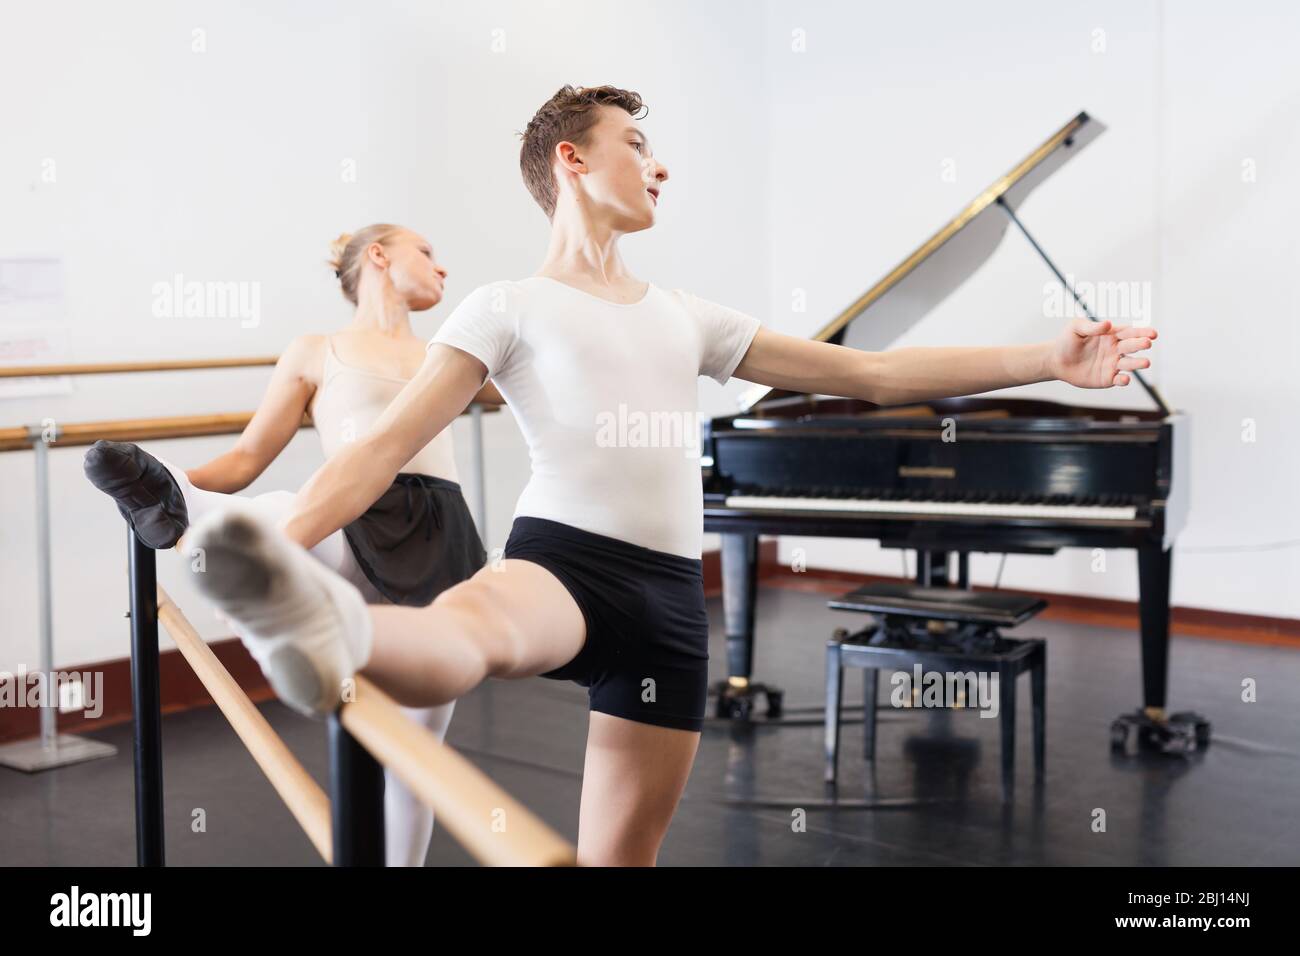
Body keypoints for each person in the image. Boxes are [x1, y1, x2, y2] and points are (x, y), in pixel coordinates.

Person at [180, 85, 1158, 866]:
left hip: (669, 602)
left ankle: (324, 617)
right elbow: (379, 449)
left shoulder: (687, 314)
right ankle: (324, 620)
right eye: (634, 142)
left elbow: (870, 374)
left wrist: (1046, 359)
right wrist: (282, 546)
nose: (660, 164)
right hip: (562, 560)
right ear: (571, 158)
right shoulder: (504, 303)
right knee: (468, 632)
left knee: (620, 855)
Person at [83, 224, 496, 866]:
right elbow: (249, 457)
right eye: (428, 252)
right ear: (379, 256)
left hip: (442, 545)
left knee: (415, 757)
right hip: (349, 517)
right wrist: (174, 481)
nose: (444, 268)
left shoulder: (451, 351)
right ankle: (170, 497)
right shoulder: (316, 350)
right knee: (281, 511)